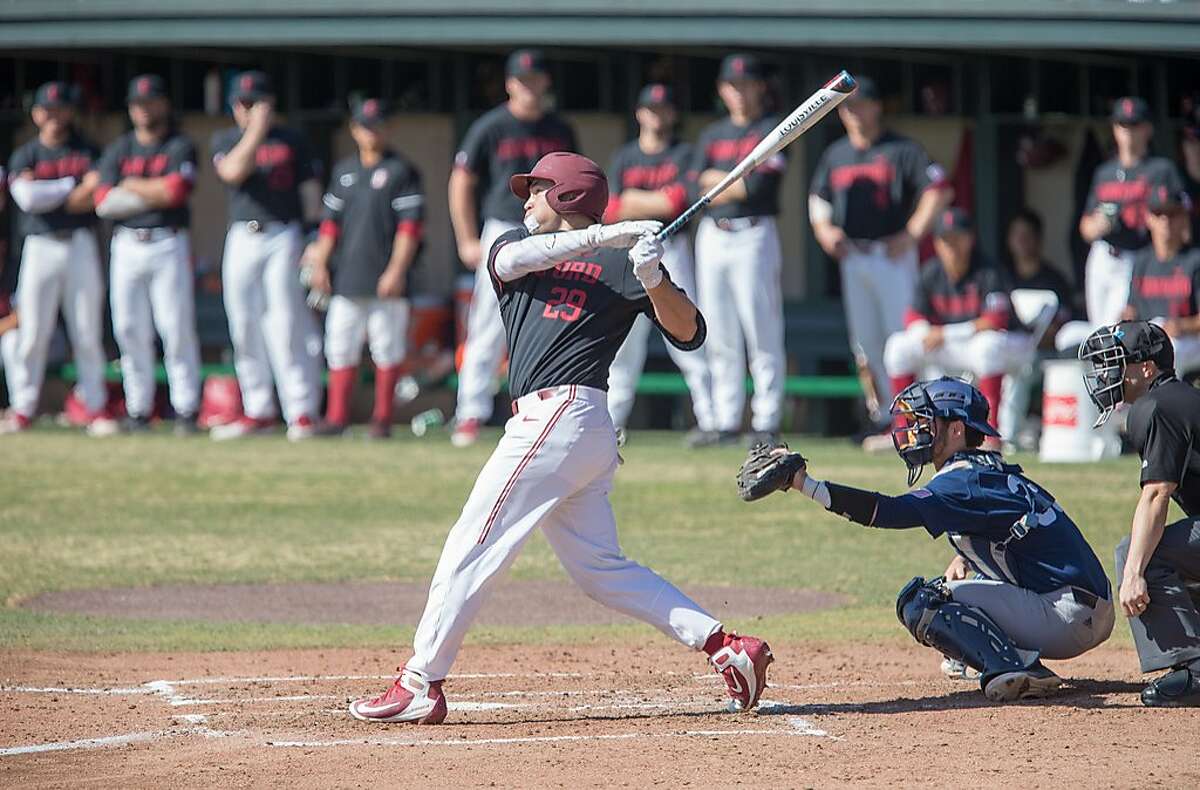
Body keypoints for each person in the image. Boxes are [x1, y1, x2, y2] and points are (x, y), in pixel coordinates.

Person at [348, 152, 772, 724]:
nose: (525, 200)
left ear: (569, 196)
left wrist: (651, 277)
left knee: (473, 540)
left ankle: (421, 680)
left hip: (568, 414)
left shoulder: (624, 265)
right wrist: (610, 234)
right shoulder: (515, 251)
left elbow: (690, 331)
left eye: (538, 189)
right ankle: (726, 647)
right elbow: (518, 257)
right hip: (561, 426)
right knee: (600, 570)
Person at [756, 377, 1114, 701]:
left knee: (922, 601)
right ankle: (1003, 656)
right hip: (1082, 606)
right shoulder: (986, 470)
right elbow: (1014, 534)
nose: (915, 431)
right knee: (950, 586)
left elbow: (890, 512)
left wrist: (805, 484)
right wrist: (969, 558)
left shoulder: (963, 481)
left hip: (1066, 615)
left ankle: (1015, 668)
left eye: (926, 423)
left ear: (956, 429)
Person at [449, 49, 577, 448]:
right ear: (509, 84)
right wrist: (466, 238)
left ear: (546, 82)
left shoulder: (560, 128)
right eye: (523, 80)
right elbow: (461, 181)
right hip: (506, 228)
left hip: (551, 231)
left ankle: (544, 410)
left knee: (551, 317)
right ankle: (470, 412)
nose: (530, 87)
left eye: (536, 79)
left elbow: (576, 182)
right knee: (488, 321)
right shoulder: (491, 126)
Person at [809, 76, 952, 433]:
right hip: (854, 255)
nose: (853, 113)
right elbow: (818, 199)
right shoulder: (836, 153)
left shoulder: (901, 148)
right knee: (865, 342)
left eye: (860, 105)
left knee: (902, 337)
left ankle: (921, 415)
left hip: (892, 254)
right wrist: (825, 231)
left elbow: (939, 188)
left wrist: (913, 233)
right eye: (846, 107)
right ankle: (885, 418)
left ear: (876, 107)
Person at [1079, 321, 1200, 706]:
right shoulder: (1178, 399)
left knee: (1140, 553)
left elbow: (1156, 496)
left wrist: (1133, 573)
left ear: (1146, 368)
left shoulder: (1157, 406)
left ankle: (1193, 670)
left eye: (1116, 362)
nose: (1106, 373)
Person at [209, 70, 323, 441]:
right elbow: (232, 172)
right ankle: (258, 408)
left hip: (283, 232)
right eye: (242, 103)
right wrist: (254, 130)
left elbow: (309, 190)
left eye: (255, 102)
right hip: (243, 234)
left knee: (286, 322)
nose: (249, 109)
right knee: (243, 322)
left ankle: (300, 410)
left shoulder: (293, 140)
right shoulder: (226, 138)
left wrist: (313, 238)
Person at [0, 81, 116, 437]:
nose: (53, 116)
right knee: (32, 330)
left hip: (79, 242)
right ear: (36, 114)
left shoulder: (86, 149)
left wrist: (54, 190)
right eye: (46, 110)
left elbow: (94, 193)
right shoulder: (26, 154)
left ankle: (95, 407)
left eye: (59, 109)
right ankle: (23, 407)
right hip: (39, 244)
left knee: (86, 329)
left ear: (69, 112)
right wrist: (70, 186)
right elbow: (28, 199)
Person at [304, 98, 424, 439]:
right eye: (364, 126)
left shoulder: (402, 170)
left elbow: (410, 228)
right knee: (339, 346)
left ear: (389, 128)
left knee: (387, 348)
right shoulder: (344, 171)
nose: (371, 132)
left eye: (378, 125)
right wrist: (320, 263)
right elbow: (330, 225)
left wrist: (397, 270)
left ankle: (382, 420)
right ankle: (336, 417)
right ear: (354, 130)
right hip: (348, 277)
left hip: (386, 278)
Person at [603, 83, 715, 446]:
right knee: (624, 344)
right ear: (639, 112)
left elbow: (677, 203)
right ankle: (612, 423)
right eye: (650, 108)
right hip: (628, 251)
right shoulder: (625, 156)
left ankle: (710, 420)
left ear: (672, 114)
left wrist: (636, 201)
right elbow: (612, 210)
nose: (656, 114)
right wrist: (650, 201)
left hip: (671, 249)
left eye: (663, 108)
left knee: (686, 330)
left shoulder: (684, 153)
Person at [95, 74, 202, 436]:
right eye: (138, 104)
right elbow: (102, 200)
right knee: (128, 328)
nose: (144, 109)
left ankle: (186, 408)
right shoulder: (120, 148)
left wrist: (130, 188)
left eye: (150, 102)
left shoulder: (179, 145)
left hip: (167, 241)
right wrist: (150, 192)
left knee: (175, 327)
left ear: (164, 105)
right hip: (126, 243)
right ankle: (138, 409)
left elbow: (176, 191)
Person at [691, 54, 788, 445]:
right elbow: (697, 185)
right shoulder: (712, 134)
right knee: (719, 330)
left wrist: (721, 181)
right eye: (733, 85)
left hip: (754, 234)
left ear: (759, 87)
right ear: (722, 90)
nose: (740, 92)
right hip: (713, 234)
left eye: (746, 84)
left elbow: (758, 188)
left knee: (761, 328)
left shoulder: (772, 129)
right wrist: (731, 180)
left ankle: (767, 418)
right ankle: (726, 418)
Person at [880, 208, 1020, 442]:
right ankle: (906, 433)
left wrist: (943, 334)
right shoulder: (932, 272)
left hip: (1009, 343)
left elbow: (996, 321)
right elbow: (913, 315)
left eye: (957, 238)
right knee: (898, 346)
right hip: (956, 345)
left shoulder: (988, 270)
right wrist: (925, 333)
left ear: (970, 239)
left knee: (988, 346)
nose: (951, 246)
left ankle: (990, 436)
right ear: (936, 243)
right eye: (945, 239)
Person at [1077, 97, 1183, 329]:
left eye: (1134, 125)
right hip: (1103, 254)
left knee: (1116, 327)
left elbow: (1180, 215)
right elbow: (1084, 226)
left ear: (1147, 128)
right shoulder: (1104, 172)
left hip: (1136, 255)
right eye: (1122, 125)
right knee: (1098, 330)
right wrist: (1098, 225)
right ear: (1115, 129)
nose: (1128, 132)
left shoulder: (1160, 169)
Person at [998, 209, 1074, 445]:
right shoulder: (1002, 278)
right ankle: (999, 431)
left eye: (1027, 235)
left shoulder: (1054, 280)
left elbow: (1064, 326)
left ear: (1038, 239)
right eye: (1016, 235)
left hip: (1046, 354)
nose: (1021, 241)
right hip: (1010, 351)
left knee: (1025, 367)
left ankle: (1014, 432)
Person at [1120, 187, 1200, 377]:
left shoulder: (1195, 261)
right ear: (1148, 218)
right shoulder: (1141, 261)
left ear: (1183, 218)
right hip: (1148, 340)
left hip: (1187, 341)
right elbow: (1131, 310)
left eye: (1172, 214)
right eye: (1158, 214)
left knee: (1171, 350)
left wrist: (1181, 326)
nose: (1165, 221)